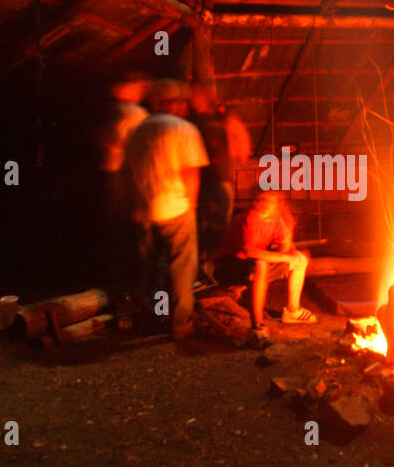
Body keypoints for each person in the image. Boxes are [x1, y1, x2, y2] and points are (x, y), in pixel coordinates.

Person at [124, 79, 209, 341]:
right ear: (169, 104)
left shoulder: (138, 130)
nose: (184, 106)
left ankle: (149, 315)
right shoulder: (184, 129)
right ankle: (180, 323)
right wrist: (192, 203)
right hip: (176, 207)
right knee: (182, 267)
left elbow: (130, 171)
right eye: (180, 102)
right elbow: (190, 172)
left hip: (144, 210)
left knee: (148, 267)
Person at [215, 188, 318, 347]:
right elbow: (250, 252)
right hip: (230, 267)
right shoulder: (250, 217)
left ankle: (293, 311)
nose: (264, 203)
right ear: (254, 202)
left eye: (269, 200)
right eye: (261, 199)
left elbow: (286, 247)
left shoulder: (274, 218)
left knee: (300, 259)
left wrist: (288, 245)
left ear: (277, 204)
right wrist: (284, 256)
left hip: (251, 264)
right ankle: (257, 326)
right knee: (261, 264)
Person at [190, 85, 252, 280]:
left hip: (220, 179)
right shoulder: (192, 121)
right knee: (199, 225)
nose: (195, 100)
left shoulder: (224, 117)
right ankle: (201, 270)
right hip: (199, 182)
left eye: (198, 96)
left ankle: (218, 270)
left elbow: (240, 140)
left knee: (221, 226)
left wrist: (241, 152)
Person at [95, 73, 148, 286]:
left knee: (117, 224)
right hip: (119, 173)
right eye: (137, 87)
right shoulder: (132, 113)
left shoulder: (117, 111)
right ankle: (121, 276)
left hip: (113, 172)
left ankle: (117, 273)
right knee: (121, 224)